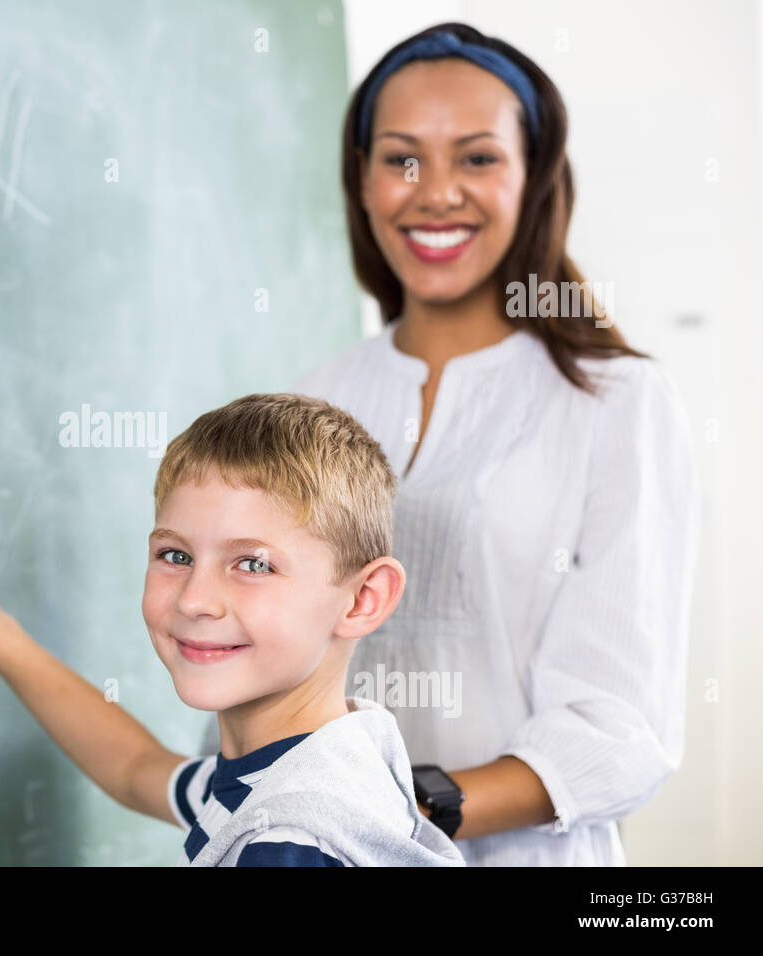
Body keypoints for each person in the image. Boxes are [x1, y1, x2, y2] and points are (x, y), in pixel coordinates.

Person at [290, 22, 701, 865]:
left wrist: (407, 812)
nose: (435, 191)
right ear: (362, 181)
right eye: (402, 157)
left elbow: (619, 731)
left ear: (534, 176)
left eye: (476, 157)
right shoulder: (319, 397)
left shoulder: (616, 403)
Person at [0, 393, 463, 866]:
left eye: (253, 564)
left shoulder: (290, 842)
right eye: (175, 556)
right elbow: (134, 769)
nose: (196, 599)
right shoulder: (318, 758)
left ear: (363, 599)